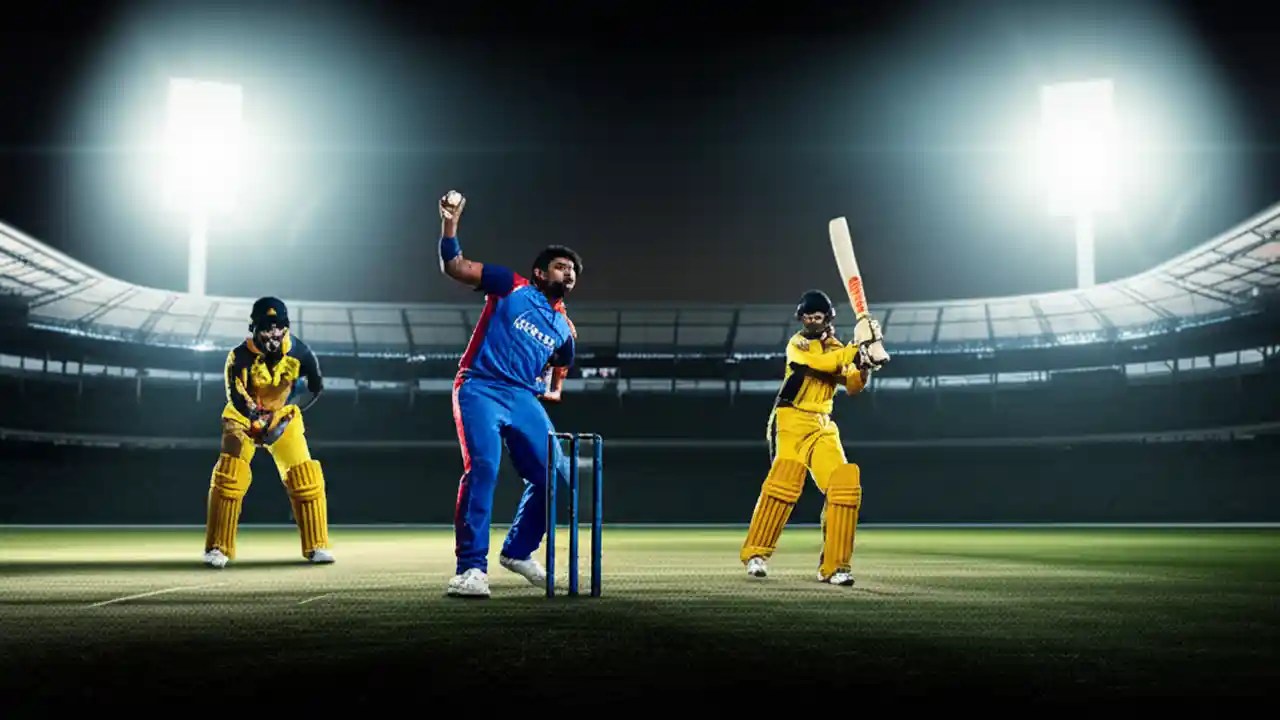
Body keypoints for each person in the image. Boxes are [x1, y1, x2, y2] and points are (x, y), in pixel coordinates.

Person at [436, 190, 580, 598]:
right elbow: (456, 266)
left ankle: (518, 551)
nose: (567, 274)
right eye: (559, 266)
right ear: (539, 273)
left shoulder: (563, 328)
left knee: (559, 478)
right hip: (480, 386)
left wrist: (553, 389)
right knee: (484, 467)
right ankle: (470, 570)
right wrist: (450, 223)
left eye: (572, 271)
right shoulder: (510, 285)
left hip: (522, 398)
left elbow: (564, 359)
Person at [739, 289, 886, 586]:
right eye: (806, 317)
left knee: (844, 483)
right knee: (784, 483)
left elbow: (854, 385)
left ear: (828, 318)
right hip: (790, 418)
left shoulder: (836, 347)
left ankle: (834, 567)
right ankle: (756, 554)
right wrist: (856, 348)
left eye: (817, 317)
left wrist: (867, 362)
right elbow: (820, 365)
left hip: (821, 425)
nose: (811, 322)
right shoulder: (798, 343)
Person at [202, 296, 332, 568]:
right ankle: (217, 548)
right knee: (230, 475)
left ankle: (317, 546)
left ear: (286, 328)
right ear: (254, 329)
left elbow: (315, 387)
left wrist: (283, 413)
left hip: (282, 415)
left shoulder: (301, 352)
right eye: (266, 328)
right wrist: (256, 419)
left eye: (278, 328)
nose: (273, 335)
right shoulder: (238, 357)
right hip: (242, 417)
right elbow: (235, 396)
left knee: (305, 476)